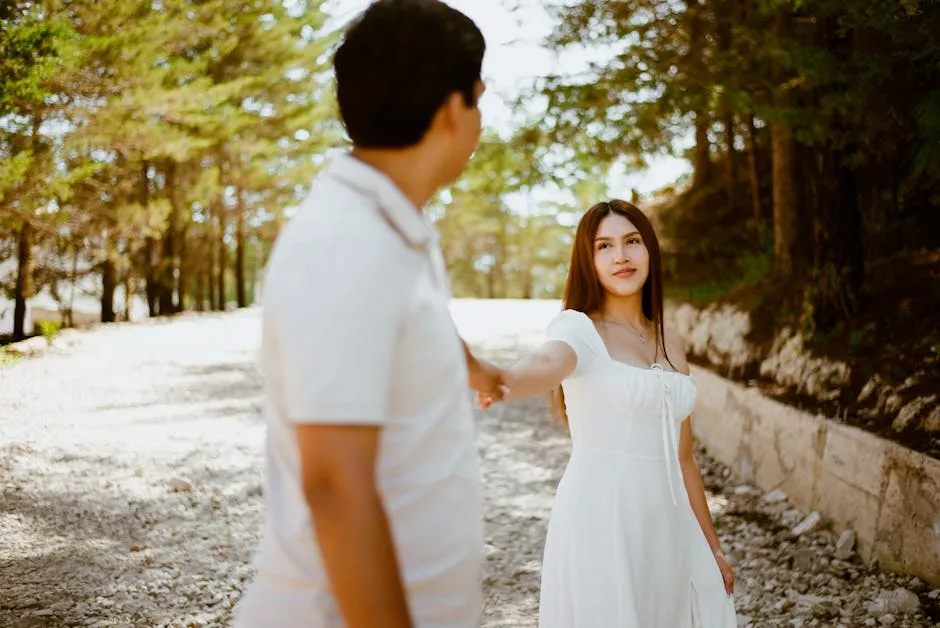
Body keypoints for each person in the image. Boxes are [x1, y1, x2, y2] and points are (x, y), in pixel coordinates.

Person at [232, 2, 504, 627]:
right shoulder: (346, 245)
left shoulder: (390, 221)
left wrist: (475, 369)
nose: (481, 120)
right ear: (450, 111)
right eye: (479, 98)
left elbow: (401, 325)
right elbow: (334, 486)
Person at [478, 200, 737, 627]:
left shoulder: (670, 338)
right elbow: (545, 364)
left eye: (632, 241)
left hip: (670, 524)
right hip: (603, 520)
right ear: (588, 260)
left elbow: (684, 457)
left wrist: (712, 547)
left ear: (649, 250)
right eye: (604, 246)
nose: (621, 256)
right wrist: (503, 378)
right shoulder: (578, 329)